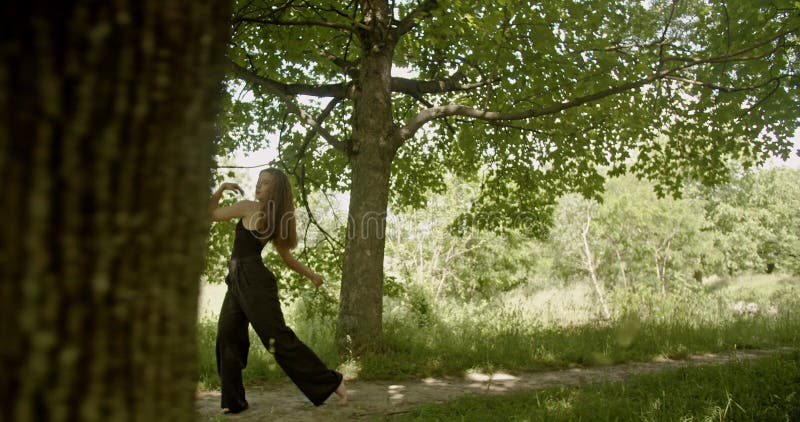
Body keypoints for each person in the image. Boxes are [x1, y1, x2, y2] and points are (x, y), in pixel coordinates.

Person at [209, 167, 348, 413]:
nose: (258, 185)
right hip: (237, 281)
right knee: (227, 336)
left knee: (277, 339)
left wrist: (311, 275)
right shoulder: (251, 208)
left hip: (255, 283)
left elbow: (287, 257)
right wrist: (220, 189)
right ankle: (234, 402)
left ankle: (331, 381)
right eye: (258, 181)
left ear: (275, 190)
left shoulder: (266, 216)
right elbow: (211, 215)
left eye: (265, 183)